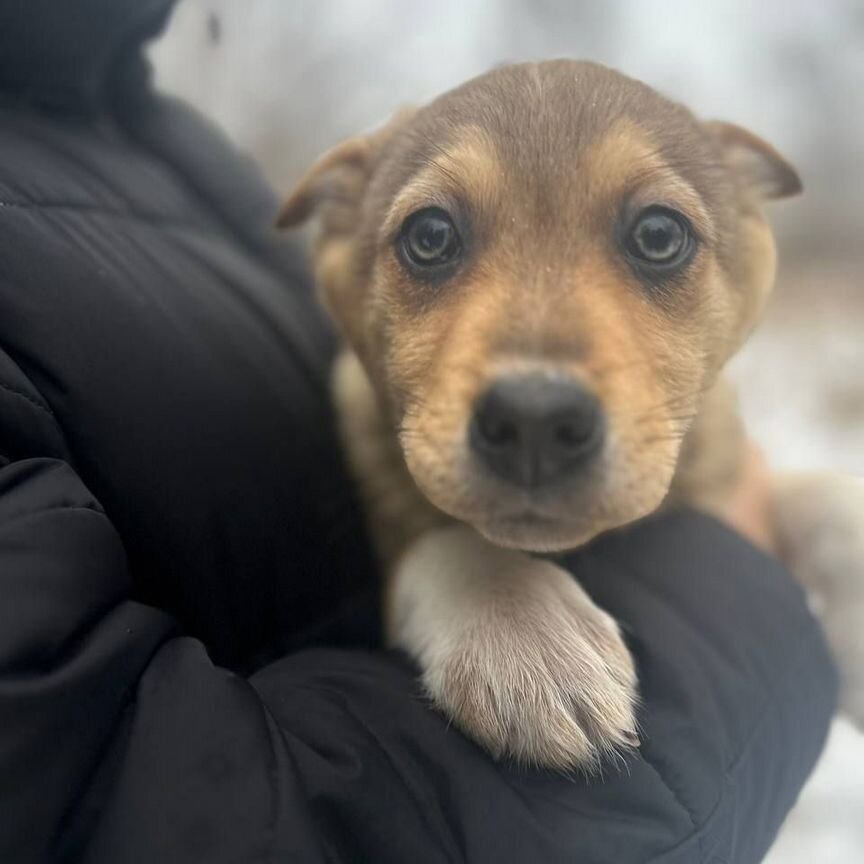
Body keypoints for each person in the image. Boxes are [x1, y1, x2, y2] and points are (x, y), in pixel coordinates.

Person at [0, 1, 836, 862]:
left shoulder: (165, 139)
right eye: (432, 237)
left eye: (657, 236)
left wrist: (812, 521)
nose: (537, 394)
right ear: (344, 237)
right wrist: (462, 571)